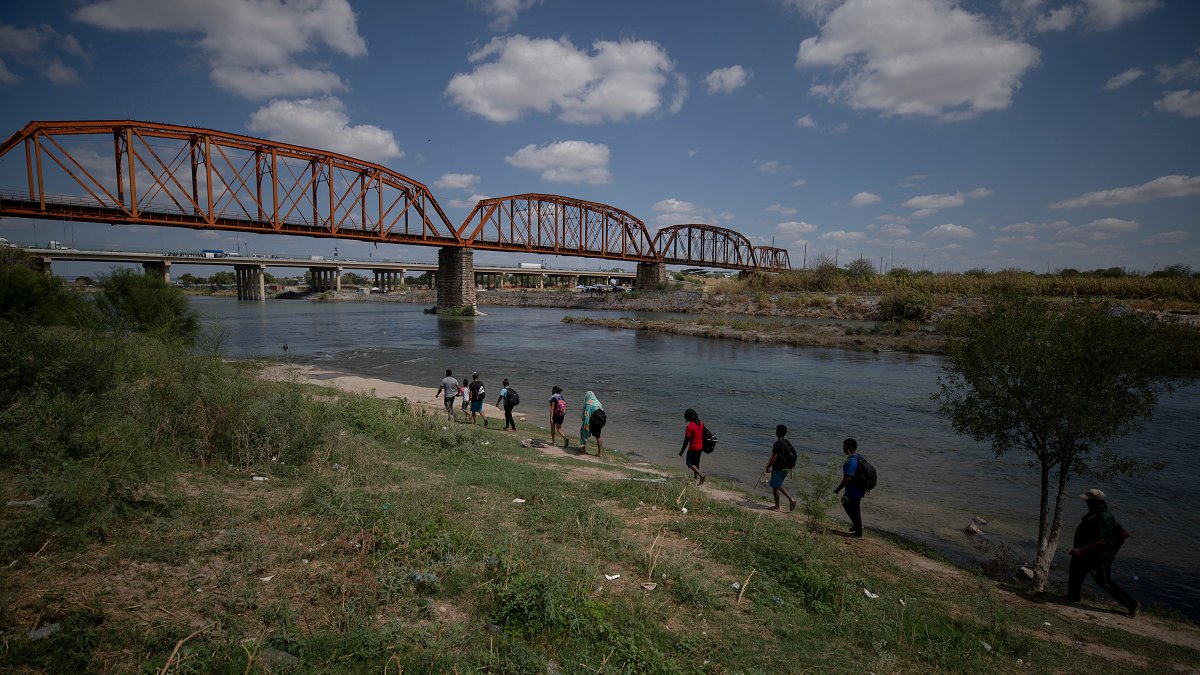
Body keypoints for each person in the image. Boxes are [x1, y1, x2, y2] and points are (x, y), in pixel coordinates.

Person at [1068, 488, 1139, 617]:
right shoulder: (1095, 513)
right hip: (1087, 552)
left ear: (1094, 502)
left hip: (1099, 555)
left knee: (1104, 581)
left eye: (1088, 501)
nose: (1086, 503)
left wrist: (1081, 550)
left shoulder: (1104, 516)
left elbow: (1102, 541)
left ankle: (1132, 604)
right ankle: (1073, 596)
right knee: (1076, 570)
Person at [833, 438, 865, 537]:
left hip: (853, 489)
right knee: (854, 508)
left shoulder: (851, 461)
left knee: (847, 504)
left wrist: (837, 490)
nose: (843, 448)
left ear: (849, 448)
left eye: (844, 446)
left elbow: (847, 479)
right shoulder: (859, 457)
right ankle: (856, 526)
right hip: (859, 488)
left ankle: (858, 532)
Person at [763, 424, 797, 511]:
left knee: (775, 487)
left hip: (778, 468)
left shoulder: (777, 444)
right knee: (778, 484)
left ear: (777, 432)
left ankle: (778, 506)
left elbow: (773, 459)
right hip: (787, 468)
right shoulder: (787, 442)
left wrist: (767, 467)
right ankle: (790, 500)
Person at [678, 408, 706, 485]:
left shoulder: (689, 427)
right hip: (700, 447)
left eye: (685, 416)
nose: (684, 417)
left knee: (689, 463)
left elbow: (686, 441)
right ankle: (695, 479)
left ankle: (701, 475)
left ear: (688, 417)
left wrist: (682, 451)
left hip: (693, 448)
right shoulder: (701, 423)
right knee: (696, 463)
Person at [579, 391, 605, 457]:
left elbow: (587, 415)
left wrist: (585, 425)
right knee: (598, 436)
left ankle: (583, 449)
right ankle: (600, 453)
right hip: (600, 421)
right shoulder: (598, 403)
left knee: (583, 432)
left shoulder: (588, 403)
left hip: (593, 420)